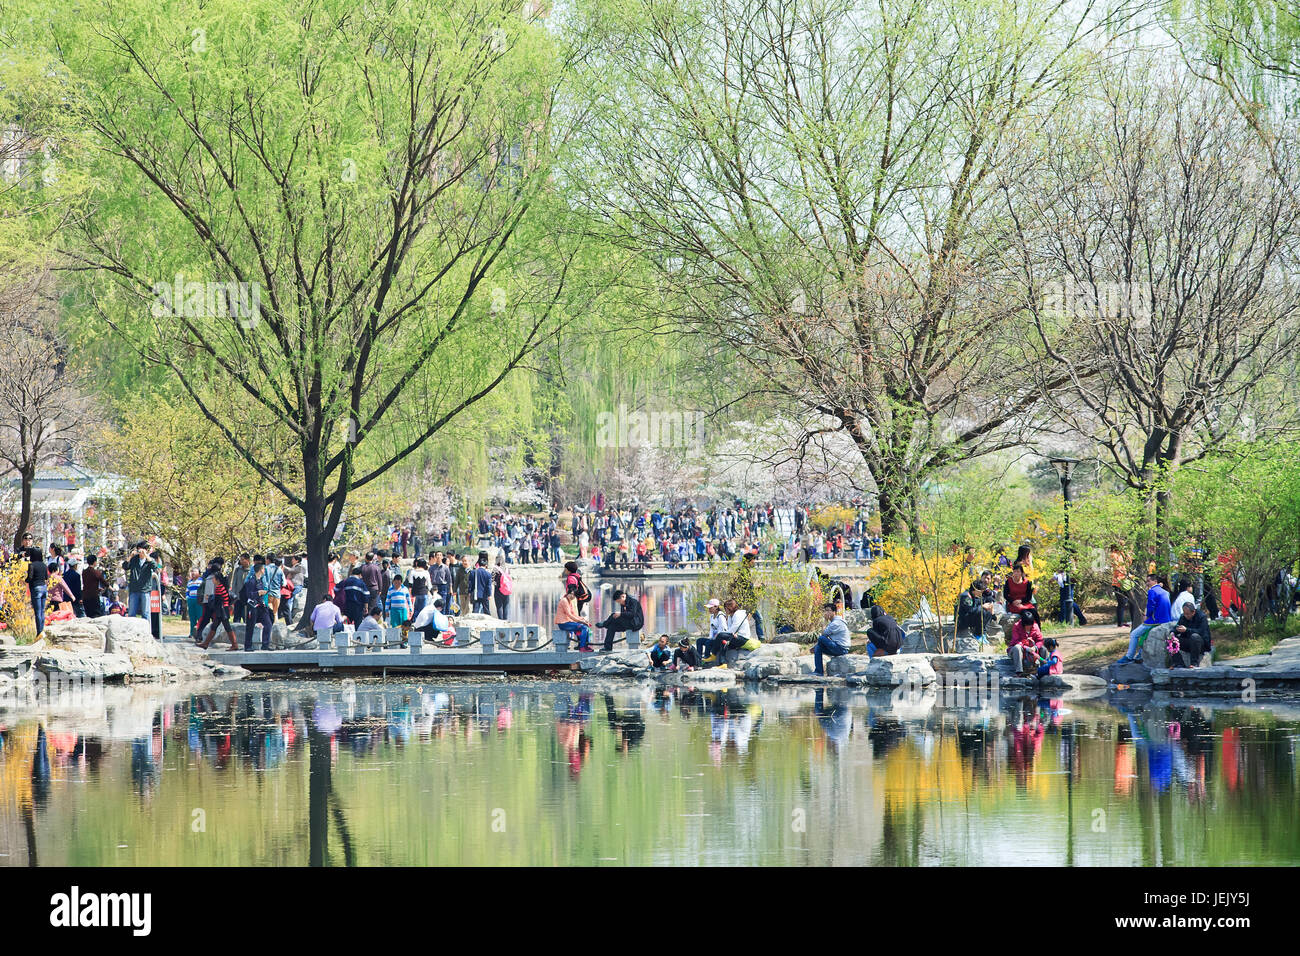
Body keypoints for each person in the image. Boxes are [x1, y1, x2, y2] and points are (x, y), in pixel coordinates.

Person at [1117, 573, 1172, 665]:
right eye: (1146, 581)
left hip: (1155, 620)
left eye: (1149, 581)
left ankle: (1129, 656)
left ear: (1155, 581)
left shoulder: (1152, 591)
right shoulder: (1165, 592)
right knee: (1145, 635)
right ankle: (1140, 655)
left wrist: (1147, 615)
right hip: (1166, 620)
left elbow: (1151, 606)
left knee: (1134, 634)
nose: (1147, 583)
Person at [196, 558, 239, 651]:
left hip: (222, 611)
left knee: (227, 628)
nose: (212, 580)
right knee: (215, 627)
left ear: (217, 580)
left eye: (214, 579)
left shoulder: (219, 588)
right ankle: (205, 643)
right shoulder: (222, 587)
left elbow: (218, 600)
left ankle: (234, 644)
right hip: (222, 610)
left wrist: (209, 599)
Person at [704, 597, 757, 666]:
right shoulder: (730, 616)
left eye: (725, 608)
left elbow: (734, 628)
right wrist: (728, 634)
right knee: (723, 642)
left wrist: (727, 634)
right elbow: (729, 629)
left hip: (742, 638)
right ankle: (723, 663)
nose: (725, 610)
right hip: (734, 636)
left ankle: (713, 654)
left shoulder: (738, 614)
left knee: (721, 635)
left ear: (730, 608)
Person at [241, 560, 274, 652]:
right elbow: (249, 594)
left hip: (261, 606)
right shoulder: (251, 581)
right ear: (260, 570)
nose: (264, 570)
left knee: (268, 624)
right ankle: (248, 646)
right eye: (263, 569)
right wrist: (258, 593)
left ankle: (265, 644)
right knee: (250, 626)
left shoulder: (260, 581)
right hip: (253, 606)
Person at [812, 602, 851, 675]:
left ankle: (819, 671)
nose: (826, 612)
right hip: (837, 647)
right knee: (818, 648)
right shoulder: (834, 622)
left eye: (828, 610)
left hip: (841, 649)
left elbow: (824, 634)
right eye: (825, 610)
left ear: (834, 612)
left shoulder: (836, 623)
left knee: (821, 638)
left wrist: (825, 621)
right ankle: (819, 672)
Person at [1170, 600, 1211, 667]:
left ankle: (1194, 663)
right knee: (1171, 639)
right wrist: (1173, 632)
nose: (1186, 616)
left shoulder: (1202, 617)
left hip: (1200, 644)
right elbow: (1177, 627)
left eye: (1188, 614)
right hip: (1188, 641)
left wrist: (1187, 630)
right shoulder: (1183, 617)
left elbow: (1201, 631)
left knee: (1194, 636)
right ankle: (1179, 663)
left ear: (1193, 612)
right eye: (1184, 613)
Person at [122, 542, 157, 620]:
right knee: (132, 612)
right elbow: (125, 566)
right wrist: (130, 556)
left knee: (146, 612)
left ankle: (147, 630)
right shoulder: (134, 559)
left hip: (145, 589)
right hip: (134, 589)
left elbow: (155, 566)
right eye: (138, 550)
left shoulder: (150, 560)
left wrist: (146, 556)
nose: (140, 552)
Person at [1007, 606, 1044, 675]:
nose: (1028, 627)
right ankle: (1019, 671)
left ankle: (1043, 669)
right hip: (1018, 649)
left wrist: (1035, 647)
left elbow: (1040, 640)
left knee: (1043, 648)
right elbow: (1016, 641)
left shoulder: (1035, 627)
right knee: (1017, 647)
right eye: (1027, 625)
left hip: (1033, 650)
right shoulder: (1016, 626)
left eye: (1030, 625)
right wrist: (1026, 648)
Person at [554, 584, 592, 651]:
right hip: (563, 624)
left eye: (574, 595)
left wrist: (583, 620)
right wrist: (581, 621)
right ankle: (582, 647)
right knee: (584, 627)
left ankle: (585, 646)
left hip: (568, 622)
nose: (572, 596)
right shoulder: (564, 601)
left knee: (586, 627)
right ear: (568, 593)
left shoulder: (569, 601)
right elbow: (570, 615)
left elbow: (573, 614)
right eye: (571, 594)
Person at [956, 579, 992, 645]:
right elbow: (970, 610)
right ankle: (977, 634)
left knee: (988, 613)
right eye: (980, 591)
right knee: (981, 611)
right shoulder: (966, 596)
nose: (981, 593)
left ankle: (982, 634)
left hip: (971, 618)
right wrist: (982, 606)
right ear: (975, 590)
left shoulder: (975, 596)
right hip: (963, 620)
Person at [81, 553, 106, 618]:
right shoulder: (96, 572)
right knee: (96, 615)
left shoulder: (84, 572)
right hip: (94, 597)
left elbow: (88, 584)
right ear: (95, 562)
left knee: (88, 615)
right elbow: (104, 582)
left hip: (85, 597)